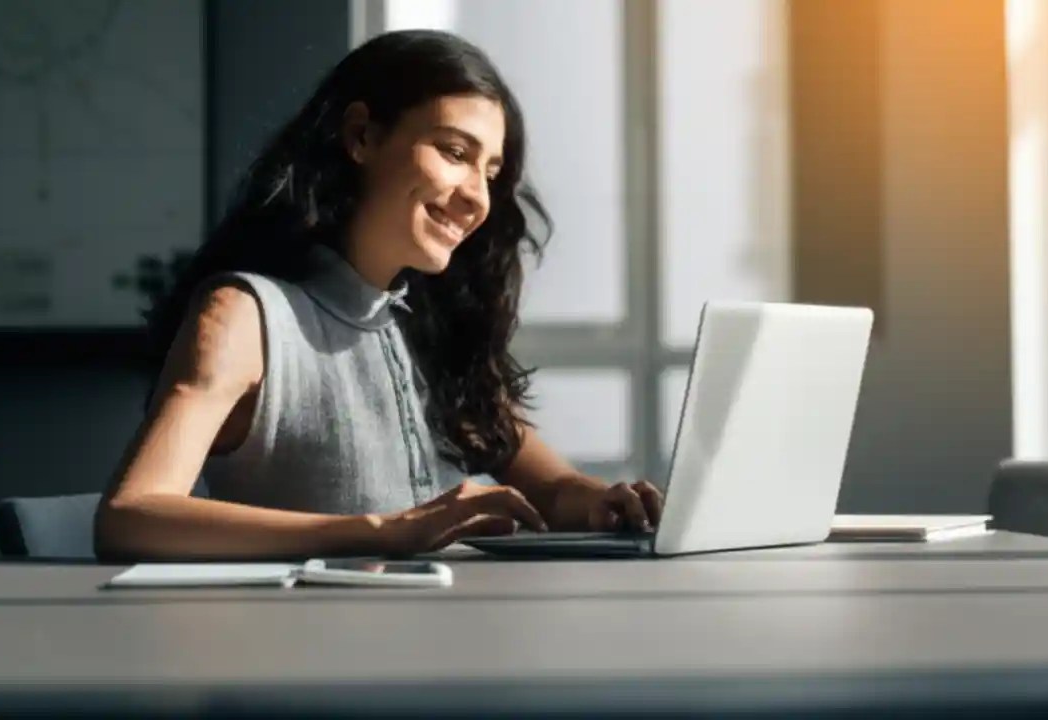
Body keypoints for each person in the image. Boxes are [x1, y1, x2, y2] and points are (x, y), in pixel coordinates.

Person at [94, 30, 662, 561]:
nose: (478, 199)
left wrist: (601, 500)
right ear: (362, 136)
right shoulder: (245, 315)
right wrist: (385, 531)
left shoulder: (439, 332)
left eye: (490, 173)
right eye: (455, 153)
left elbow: (553, 488)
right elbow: (130, 515)